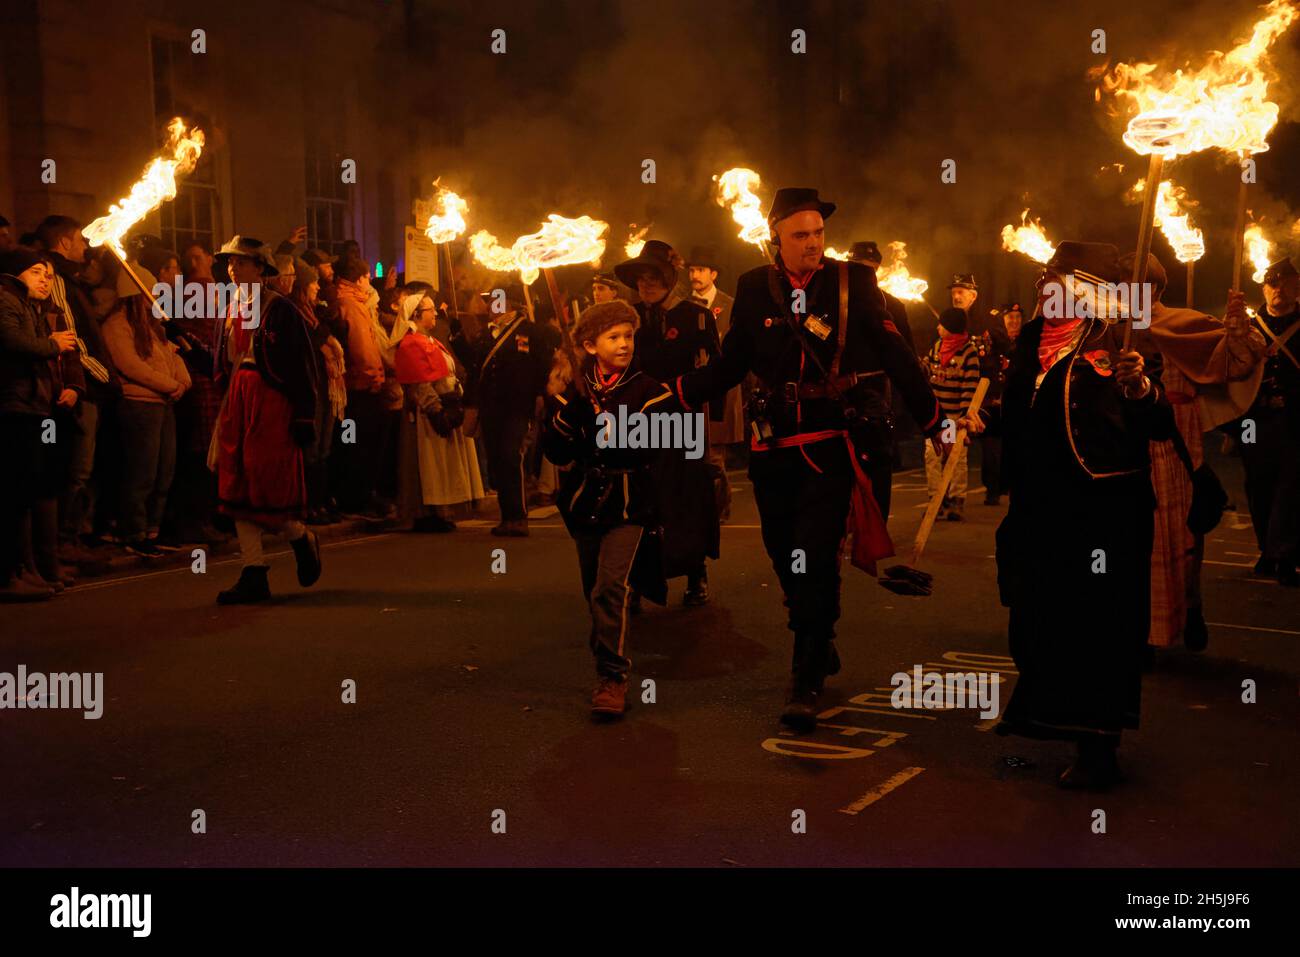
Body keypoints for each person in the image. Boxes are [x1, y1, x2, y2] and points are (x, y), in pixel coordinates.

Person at [673, 188, 944, 731]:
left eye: (818, 234)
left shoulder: (853, 282)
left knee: (815, 552)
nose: (813, 244)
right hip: (773, 443)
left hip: (831, 442)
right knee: (781, 551)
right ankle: (818, 633)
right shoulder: (753, 287)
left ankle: (805, 675)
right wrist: (672, 392)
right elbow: (731, 364)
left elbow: (898, 355)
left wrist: (938, 419)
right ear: (776, 236)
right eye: (801, 235)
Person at [990, 241, 1174, 790]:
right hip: (1041, 507)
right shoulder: (1030, 341)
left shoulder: (1123, 339)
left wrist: (1139, 388)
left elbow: (1158, 422)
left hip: (1105, 510)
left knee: (1100, 629)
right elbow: (1024, 420)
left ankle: (1098, 747)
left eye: (1063, 279)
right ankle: (1045, 713)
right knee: (1036, 617)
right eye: (1048, 276)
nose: (1049, 286)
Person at [1125, 252, 1266, 652]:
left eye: (1132, 286)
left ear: (1152, 289)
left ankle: (1188, 608)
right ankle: (1138, 634)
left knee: (1179, 542)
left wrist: (1236, 326)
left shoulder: (1182, 324)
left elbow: (1240, 360)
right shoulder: (1112, 330)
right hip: (1126, 449)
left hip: (1175, 448)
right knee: (1133, 542)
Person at [542, 300, 675, 717]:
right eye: (613, 337)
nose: (623, 344)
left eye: (628, 336)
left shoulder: (652, 389)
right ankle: (605, 652)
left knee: (609, 587)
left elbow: (661, 443)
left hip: (630, 501)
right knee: (592, 590)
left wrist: (612, 428)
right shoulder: (579, 391)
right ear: (589, 345)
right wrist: (573, 416)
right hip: (586, 501)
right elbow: (554, 450)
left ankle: (613, 678)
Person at [209, 236, 322, 604]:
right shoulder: (230, 309)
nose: (233, 269)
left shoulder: (281, 310)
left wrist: (305, 414)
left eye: (240, 263)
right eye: (230, 263)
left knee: (266, 481)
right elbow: (226, 362)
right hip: (238, 401)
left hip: (270, 402)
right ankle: (253, 571)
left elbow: (304, 365)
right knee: (236, 480)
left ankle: (300, 536)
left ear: (260, 269)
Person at [616, 240, 719, 605]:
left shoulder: (696, 316)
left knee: (687, 500)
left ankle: (696, 573)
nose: (647, 284)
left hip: (682, 419)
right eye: (641, 278)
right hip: (638, 422)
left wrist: (690, 400)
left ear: (669, 278)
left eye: (654, 276)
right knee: (641, 501)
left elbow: (714, 371)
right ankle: (639, 582)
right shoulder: (626, 320)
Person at [0, 248, 81, 601]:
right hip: (14, 406)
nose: (45, 279)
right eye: (36, 272)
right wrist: (51, 344)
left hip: (34, 405)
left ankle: (28, 568)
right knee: (14, 494)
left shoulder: (32, 305)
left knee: (33, 489)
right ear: (16, 274)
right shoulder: (5, 300)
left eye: (48, 274)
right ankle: (11, 574)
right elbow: (11, 342)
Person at [101, 265, 190, 557]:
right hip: (138, 405)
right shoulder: (117, 325)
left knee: (165, 471)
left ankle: (154, 528)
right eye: (151, 292)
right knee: (143, 472)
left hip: (163, 405)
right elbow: (129, 364)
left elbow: (170, 354)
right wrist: (168, 385)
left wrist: (181, 381)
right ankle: (133, 531)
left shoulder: (154, 328)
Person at [452, 283, 552, 537]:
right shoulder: (486, 334)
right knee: (497, 461)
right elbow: (475, 367)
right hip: (491, 406)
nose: (489, 305)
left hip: (518, 405)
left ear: (511, 304)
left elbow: (542, 365)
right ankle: (507, 516)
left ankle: (518, 517)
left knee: (511, 456)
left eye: (495, 299)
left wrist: (540, 393)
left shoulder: (530, 331)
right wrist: (456, 335)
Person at [395, 291, 483, 531]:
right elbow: (419, 383)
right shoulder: (411, 344)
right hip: (427, 414)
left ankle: (441, 510)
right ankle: (427, 513)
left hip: (446, 405)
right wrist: (436, 410)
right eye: (430, 310)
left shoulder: (432, 341)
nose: (435, 313)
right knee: (428, 463)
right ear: (415, 315)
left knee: (441, 463)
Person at [1237, 258, 1300, 586]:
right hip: (1254, 422)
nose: (1278, 289)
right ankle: (1267, 549)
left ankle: (1286, 555)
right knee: (1257, 485)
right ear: (1263, 288)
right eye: (1272, 283)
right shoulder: (1247, 326)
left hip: (1295, 421)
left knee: (1291, 487)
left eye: (1285, 282)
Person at [686, 244, 744, 523]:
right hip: (692, 386)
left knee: (715, 453)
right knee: (696, 451)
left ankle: (719, 506)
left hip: (721, 386)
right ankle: (706, 503)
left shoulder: (730, 305)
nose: (694, 275)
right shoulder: (682, 305)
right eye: (691, 270)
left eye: (700, 270)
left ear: (714, 274)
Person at [334, 256, 389, 518]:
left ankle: (357, 495)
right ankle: (357, 497)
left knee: (355, 442)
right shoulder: (351, 305)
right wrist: (374, 376)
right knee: (359, 444)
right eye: (367, 277)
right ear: (359, 279)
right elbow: (362, 347)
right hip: (360, 387)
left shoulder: (354, 302)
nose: (370, 282)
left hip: (355, 385)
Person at [922, 307, 981, 521]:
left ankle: (957, 500)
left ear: (950, 328)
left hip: (955, 417)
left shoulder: (969, 352)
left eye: (942, 325)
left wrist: (965, 416)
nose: (938, 327)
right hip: (938, 416)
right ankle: (936, 500)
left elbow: (970, 385)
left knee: (956, 459)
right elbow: (927, 373)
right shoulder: (937, 347)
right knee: (932, 457)